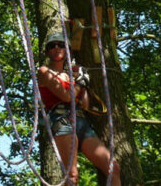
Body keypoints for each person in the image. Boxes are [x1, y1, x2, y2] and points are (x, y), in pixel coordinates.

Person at [37, 32, 121, 185]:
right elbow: (66, 97)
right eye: (52, 45)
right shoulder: (44, 71)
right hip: (62, 120)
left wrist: (83, 79)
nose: (57, 48)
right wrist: (80, 83)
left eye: (61, 45)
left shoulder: (72, 77)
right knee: (72, 175)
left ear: (68, 50)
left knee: (113, 168)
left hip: (81, 122)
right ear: (47, 51)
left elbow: (86, 104)